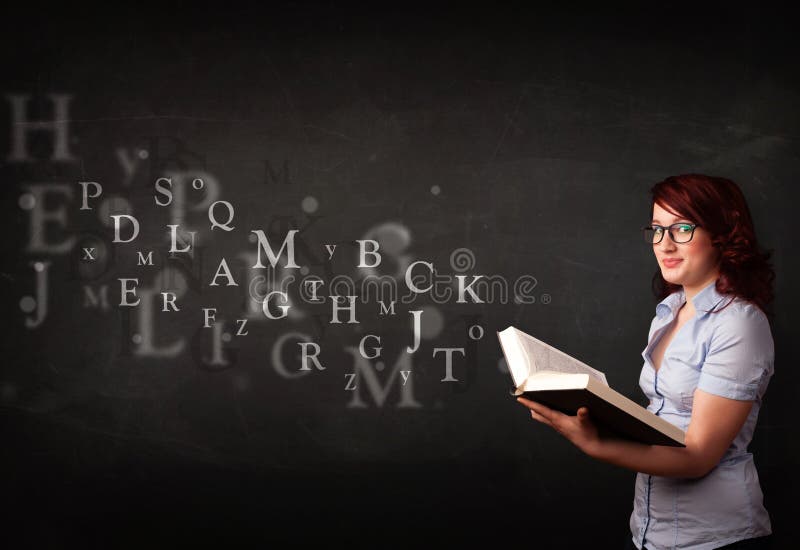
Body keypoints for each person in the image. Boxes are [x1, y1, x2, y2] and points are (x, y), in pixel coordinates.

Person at [516, 174, 776, 549]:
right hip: (648, 530)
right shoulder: (669, 312)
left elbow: (698, 457)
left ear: (722, 233)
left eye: (682, 228)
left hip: (716, 538)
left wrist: (595, 443)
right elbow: (664, 420)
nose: (664, 244)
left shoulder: (739, 323)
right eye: (657, 229)